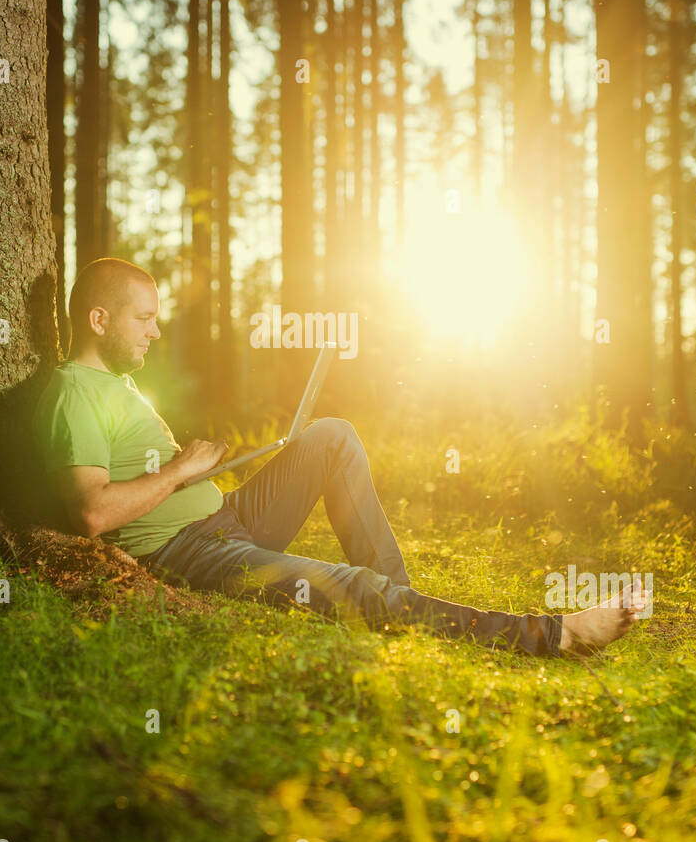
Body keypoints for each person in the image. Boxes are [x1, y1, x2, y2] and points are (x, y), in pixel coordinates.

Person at [32, 258, 645, 659]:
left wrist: (203, 474)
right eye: (143, 319)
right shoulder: (73, 392)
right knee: (349, 586)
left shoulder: (121, 383)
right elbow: (90, 515)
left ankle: (403, 606)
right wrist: (179, 472)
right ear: (98, 318)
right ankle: (554, 635)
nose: (154, 333)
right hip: (189, 549)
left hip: (227, 516)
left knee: (332, 435)